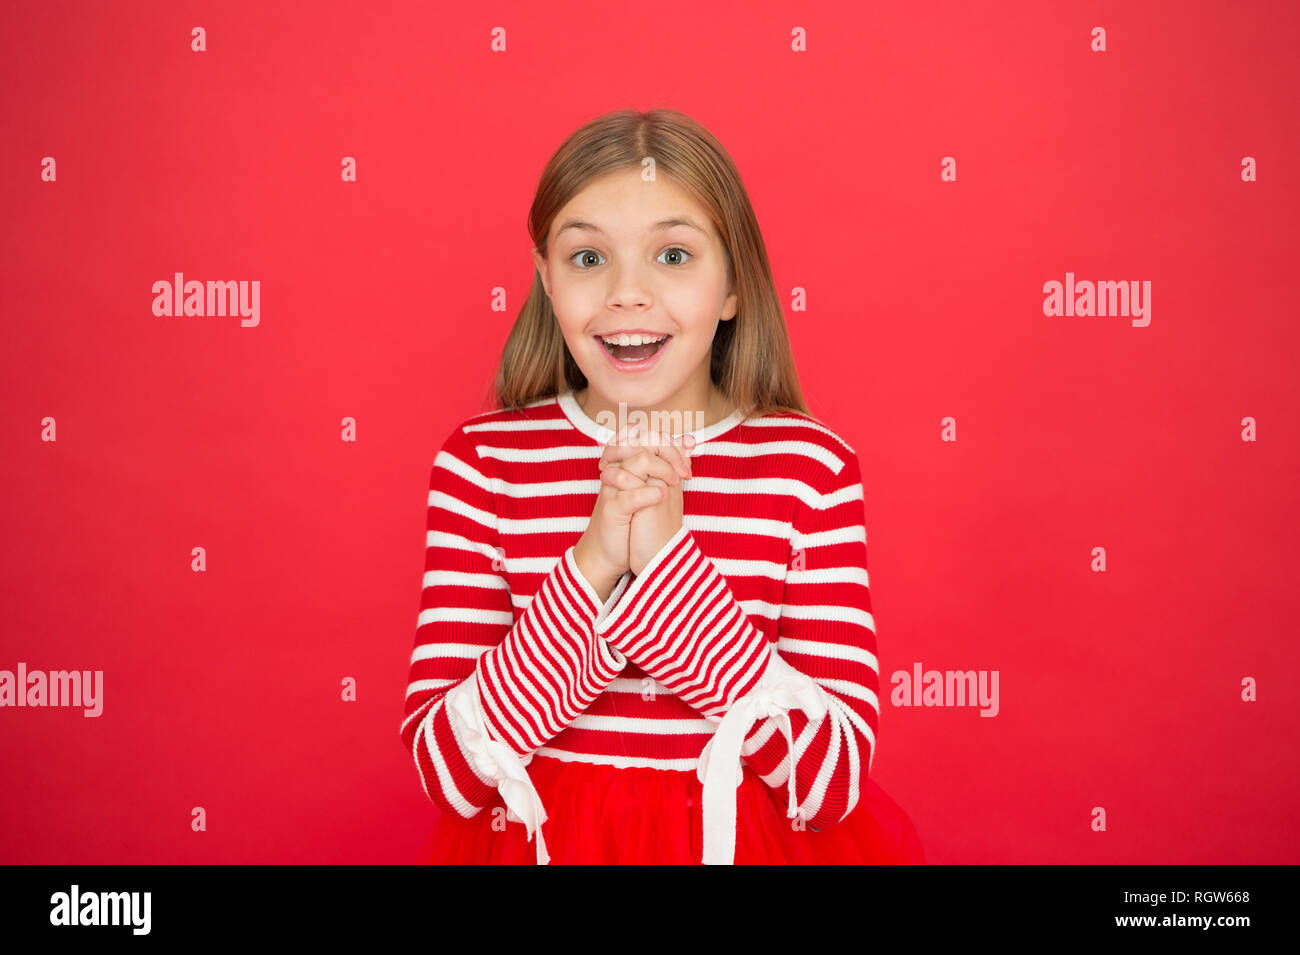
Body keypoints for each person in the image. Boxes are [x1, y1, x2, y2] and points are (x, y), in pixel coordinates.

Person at [399, 108, 925, 865]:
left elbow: (832, 779)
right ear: (547, 279)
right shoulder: (483, 465)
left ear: (734, 286)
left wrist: (670, 574)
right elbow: (446, 769)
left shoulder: (812, 470)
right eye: (588, 259)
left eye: (673, 255)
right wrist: (592, 564)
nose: (627, 294)